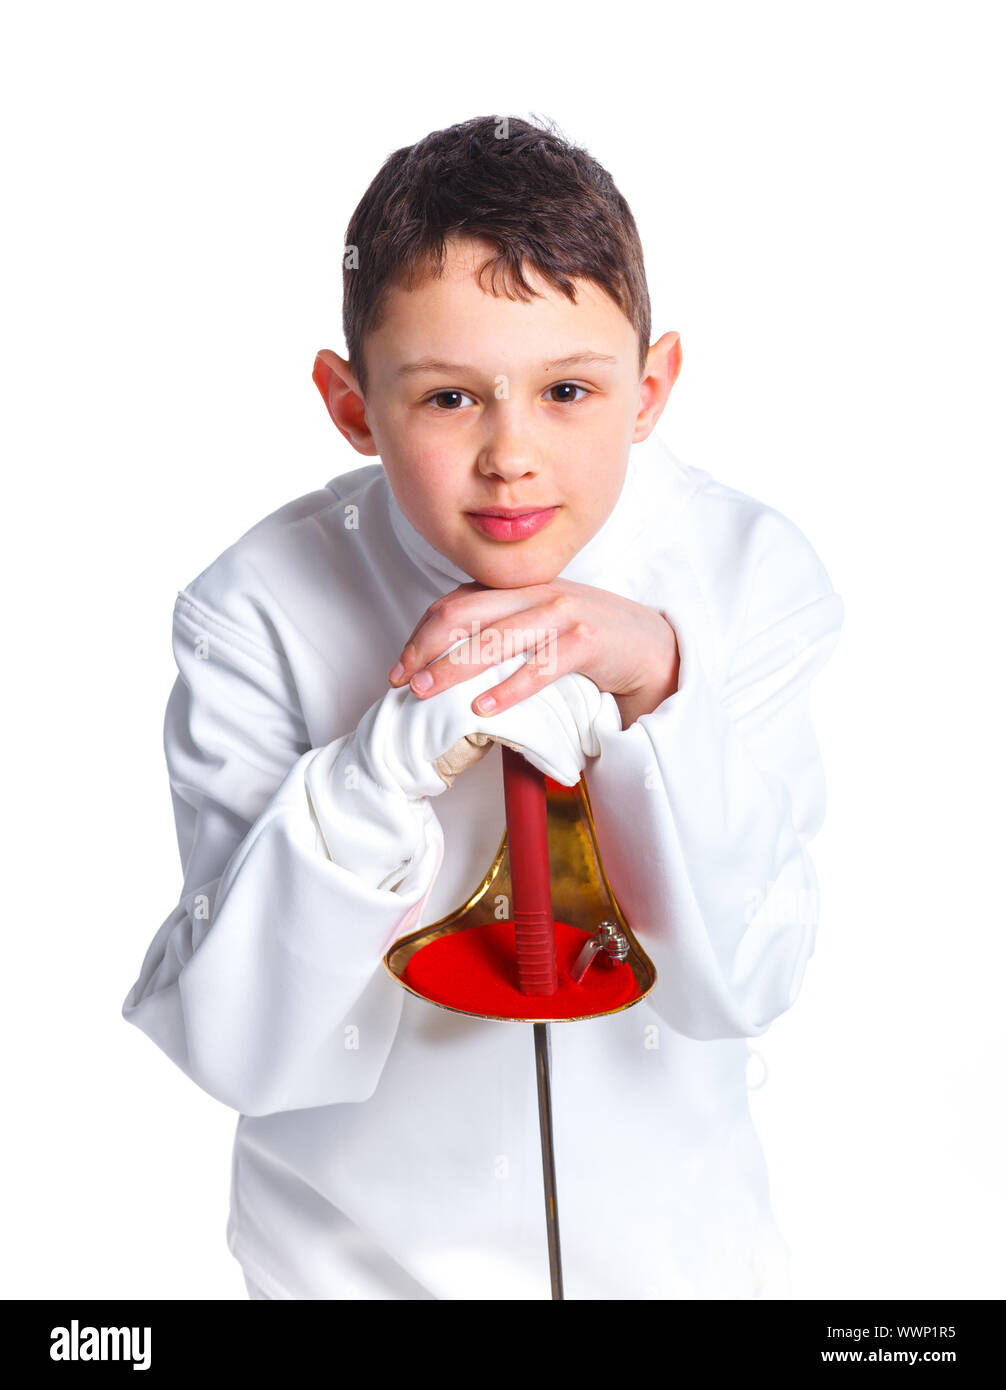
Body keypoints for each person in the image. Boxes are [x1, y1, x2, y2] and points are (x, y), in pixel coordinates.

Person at [121, 114, 844, 1300]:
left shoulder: (748, 574)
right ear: (352, 405)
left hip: (680, 1266)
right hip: (356, 1272)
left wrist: (665, 687)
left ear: (651, 386)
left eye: (568, 388)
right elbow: (240, 1044)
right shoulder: (251, 609)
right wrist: (373, 773)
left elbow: (742, 983)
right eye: (450, 398)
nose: (512, 455)